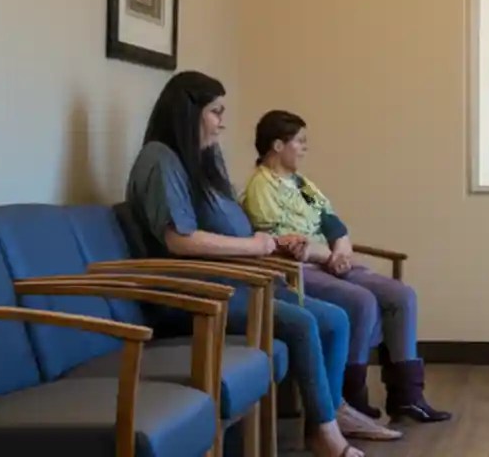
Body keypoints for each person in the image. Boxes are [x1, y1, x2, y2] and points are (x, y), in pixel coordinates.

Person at [125, 72, 399, 457]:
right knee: (303, 323)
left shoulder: (202, 160)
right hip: (194, 294)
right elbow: (179, 239)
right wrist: (253, 245)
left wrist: (269, 243)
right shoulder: (159, 159)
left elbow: (227, 225)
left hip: (236, 281)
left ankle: (331, 413)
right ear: (188, 113)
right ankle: (325, 434)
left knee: (335, 319)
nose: (222, 122)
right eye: (215, 112)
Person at [240, 109, 452, 425]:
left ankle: (407, 397)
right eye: (299, 141)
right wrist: (328, 258)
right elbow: (283, 243)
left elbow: (334, 224)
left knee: (401, 296)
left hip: (328, 261)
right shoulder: (260, 188)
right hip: (297, 272)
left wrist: (341, 251)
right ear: (277, 145)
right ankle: (351, 399)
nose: (304, 148)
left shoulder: (303, 184)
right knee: (361, 300)